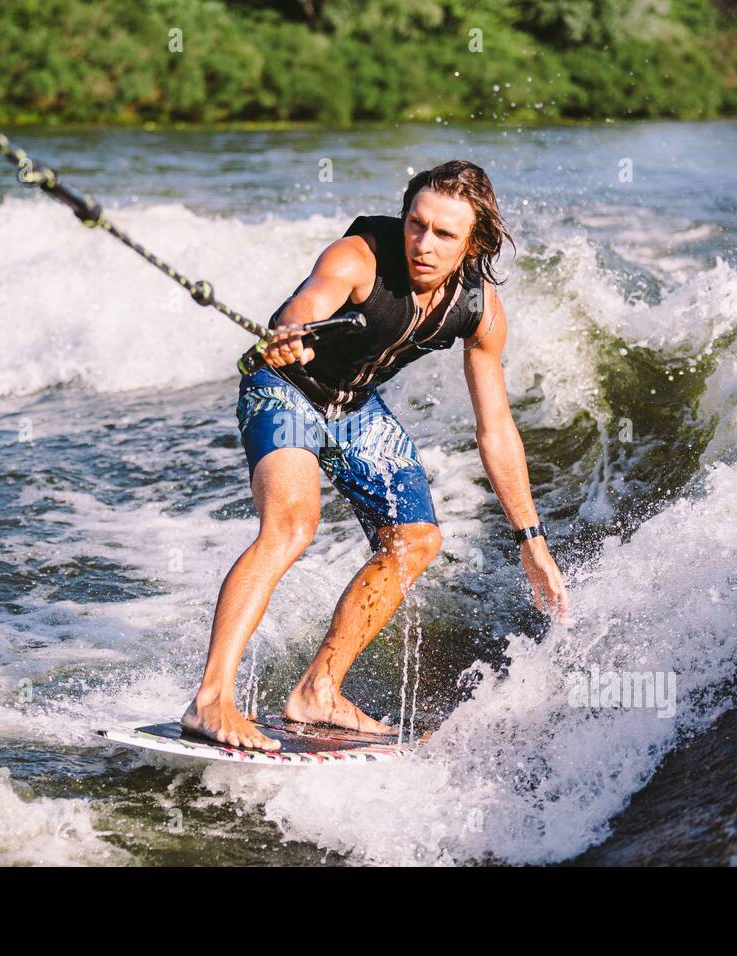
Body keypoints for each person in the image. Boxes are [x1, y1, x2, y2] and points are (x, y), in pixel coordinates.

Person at [182, 160, 569, 751]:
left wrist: (532, 541)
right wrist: (291, 332)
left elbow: (496, 428)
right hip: (284, 389)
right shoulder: (359, 257)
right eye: (416, 224)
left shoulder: (479, 310)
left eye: (445, 234)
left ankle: (319, 690)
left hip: (355, 405)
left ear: (475, 243)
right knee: (291, 525)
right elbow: (308, 304)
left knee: (416, 540)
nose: (423, 244)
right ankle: (211, 701)